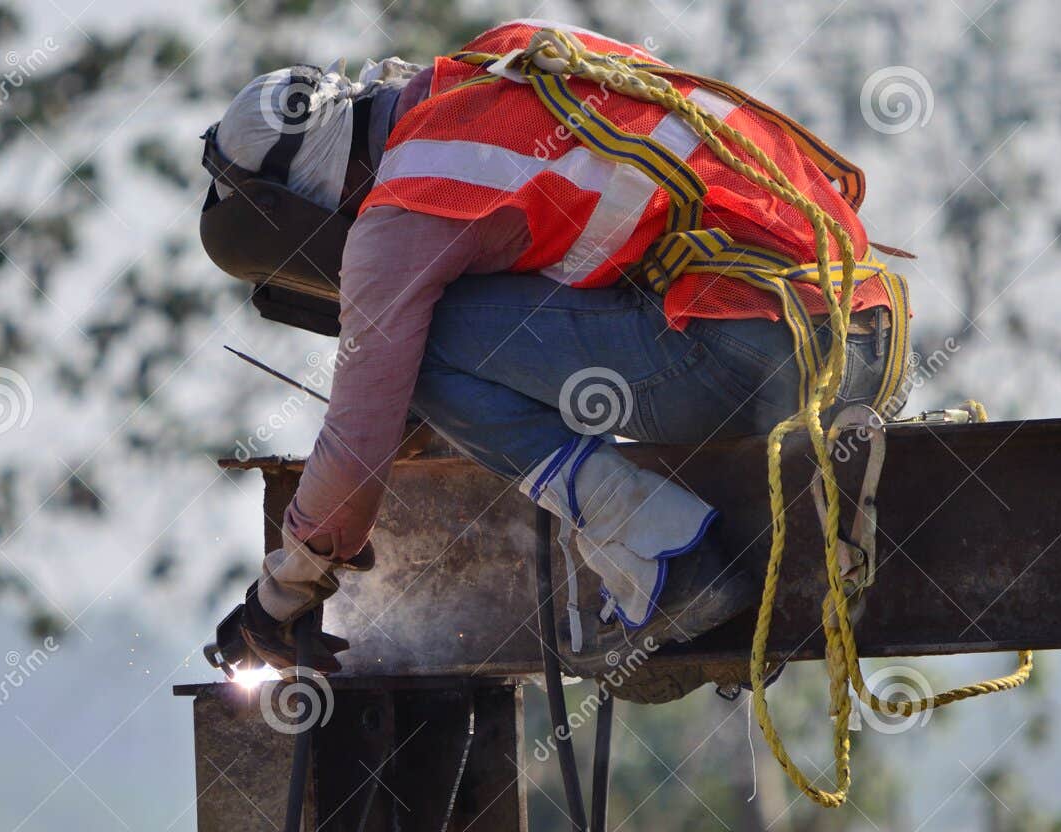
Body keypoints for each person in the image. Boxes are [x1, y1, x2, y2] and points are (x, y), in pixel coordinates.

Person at [200, 20, 911, 678]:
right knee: (423, 340)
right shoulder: (498, 60)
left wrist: (283, 591)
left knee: (419, 342)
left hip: (751, 351)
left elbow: (358, 442)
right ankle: (654, 535)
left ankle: (664, 551)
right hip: (866, 336)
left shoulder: (401, 214)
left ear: (289, 203)